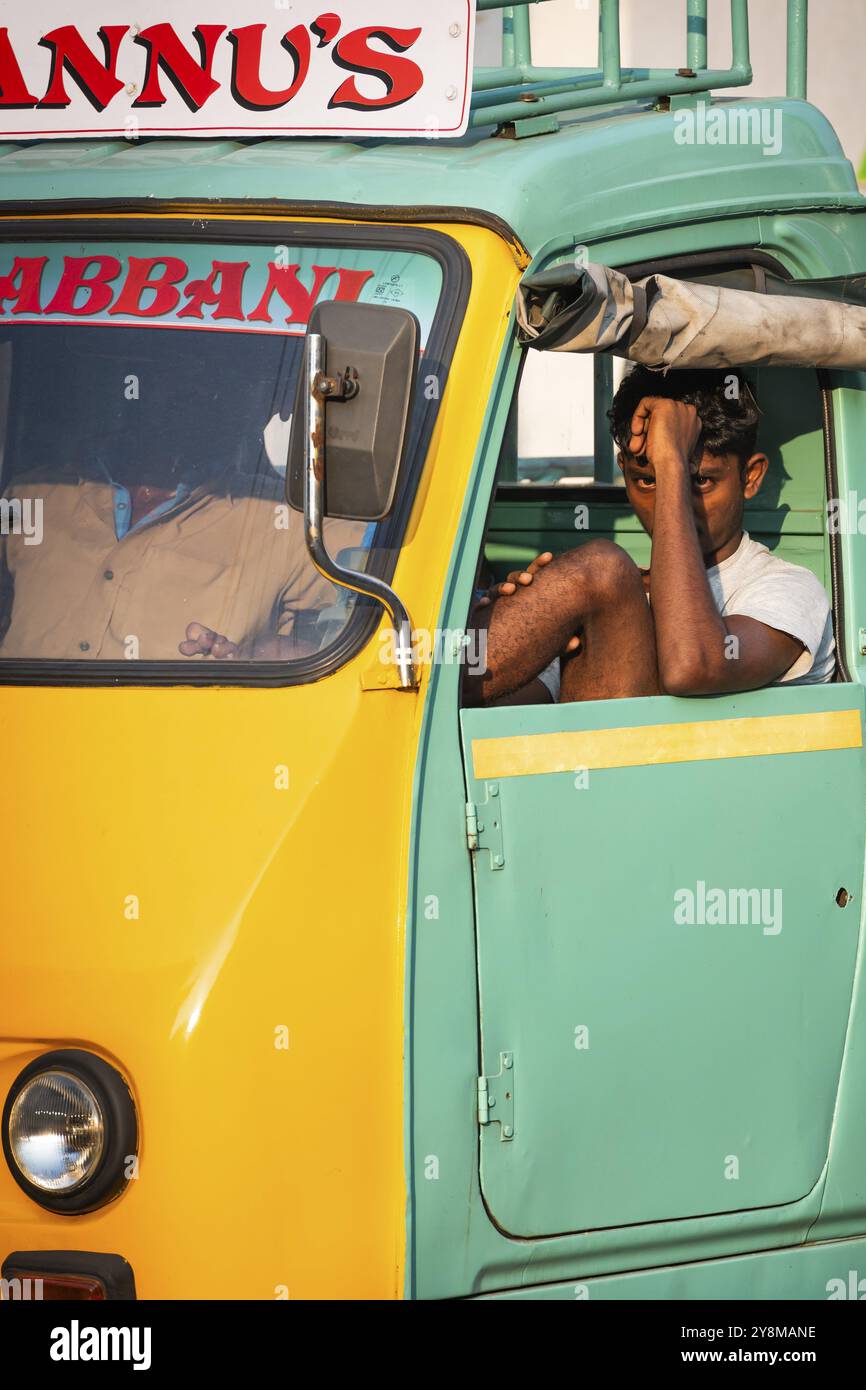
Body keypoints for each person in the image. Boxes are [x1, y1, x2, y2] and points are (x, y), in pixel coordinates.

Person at [466, 367, 835, 706]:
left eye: (700, 481)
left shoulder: (789, 590)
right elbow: (508, 711)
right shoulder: (614, 594)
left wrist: (671, 461)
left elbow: (690, 666)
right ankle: (417, 681)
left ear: (750, 478)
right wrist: (533, 622)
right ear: (623, 471)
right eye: (647, 480)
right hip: (586, 771)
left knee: (603, 570)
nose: (669, 504)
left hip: (684, 777)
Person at [0, 417, 365, 663]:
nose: (168, 400)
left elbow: (401, 574)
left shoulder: (282, 518)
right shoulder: (32, 494)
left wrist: (281, 657)